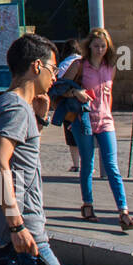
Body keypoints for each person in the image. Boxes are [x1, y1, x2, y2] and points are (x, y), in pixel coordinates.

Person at [0, 33, 79, 265]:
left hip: (9, 227)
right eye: (53, 69)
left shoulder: (6, 103)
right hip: (22, 230)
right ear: (36, 66)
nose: (55, 77)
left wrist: (39, 120)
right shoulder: (14, 108)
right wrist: (16, 227)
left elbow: (20, 158)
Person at [67, 29, 133, 230]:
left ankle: (123, 212)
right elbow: (60, 87)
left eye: (103, 46)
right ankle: (87, 205)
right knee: (88, 165)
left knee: (112, 166)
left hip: (106, 120)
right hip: (84, 120)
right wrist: (76, 91)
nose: (100, 49)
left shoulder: (110, 67)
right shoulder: (79, 66)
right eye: (96, 45)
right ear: (89, 45)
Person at [55, 40, 82, 173]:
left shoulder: (65, 63)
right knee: (86, 132)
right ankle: (89, 162)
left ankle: (77, 164)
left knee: (71, 134)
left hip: (70, 102)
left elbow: (59, 84)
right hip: (85, 103)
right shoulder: (84, 61)